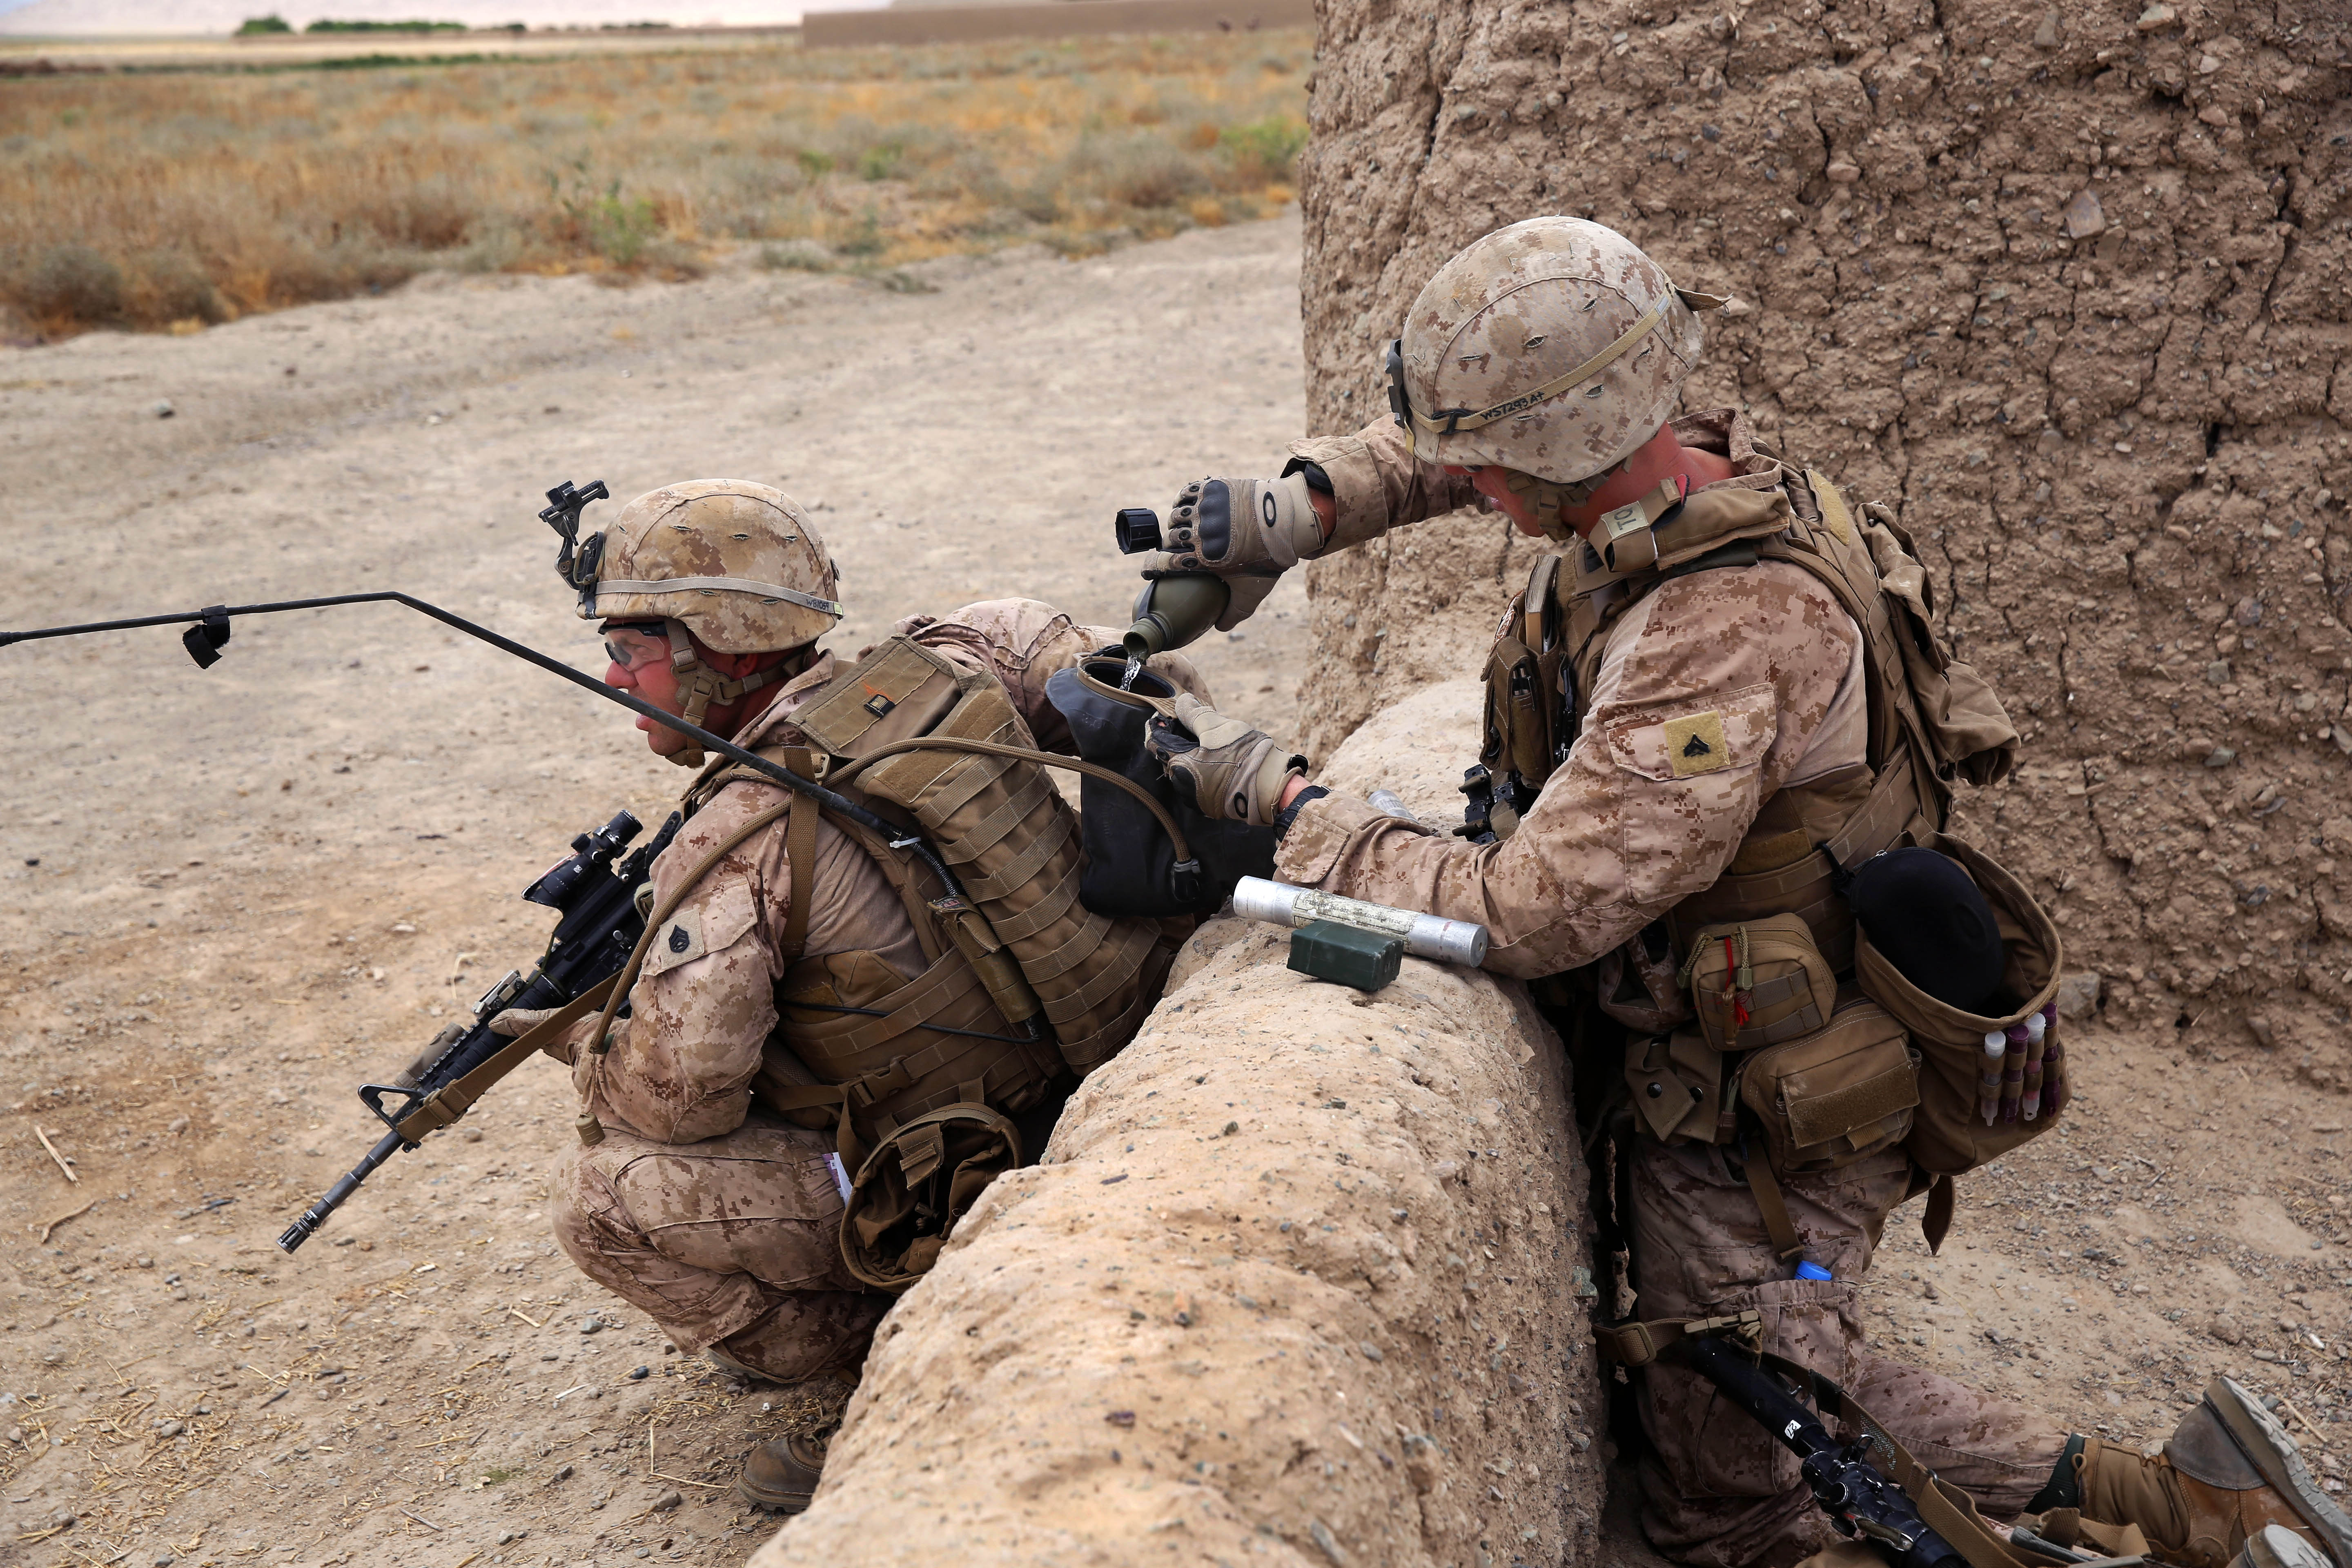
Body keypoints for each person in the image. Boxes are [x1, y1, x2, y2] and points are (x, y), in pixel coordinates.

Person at [1127, 217, 2351, 1568]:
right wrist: (1306, 506)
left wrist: (1293, 806)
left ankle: (2194, 1518)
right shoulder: (1685, 447)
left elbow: (1530, 912)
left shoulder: (1714, 628)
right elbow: (1485, 437)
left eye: (1485, 470)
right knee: (1741, 1391)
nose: (1468, 483)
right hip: (1781, 1010)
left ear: (1558, 456)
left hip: (1779, 1097)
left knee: (1732, 1458)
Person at [496, 479, 1204, 1513]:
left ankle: (902, 1370)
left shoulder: (734, 842)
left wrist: (591, 1048)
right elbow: (1160, 685)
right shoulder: (964, 659)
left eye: (634, 649)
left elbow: (683, 1104)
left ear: (722, 648)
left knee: (604, 1201)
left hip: (959, 1168)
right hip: (1126, 1058)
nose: (613, 676)